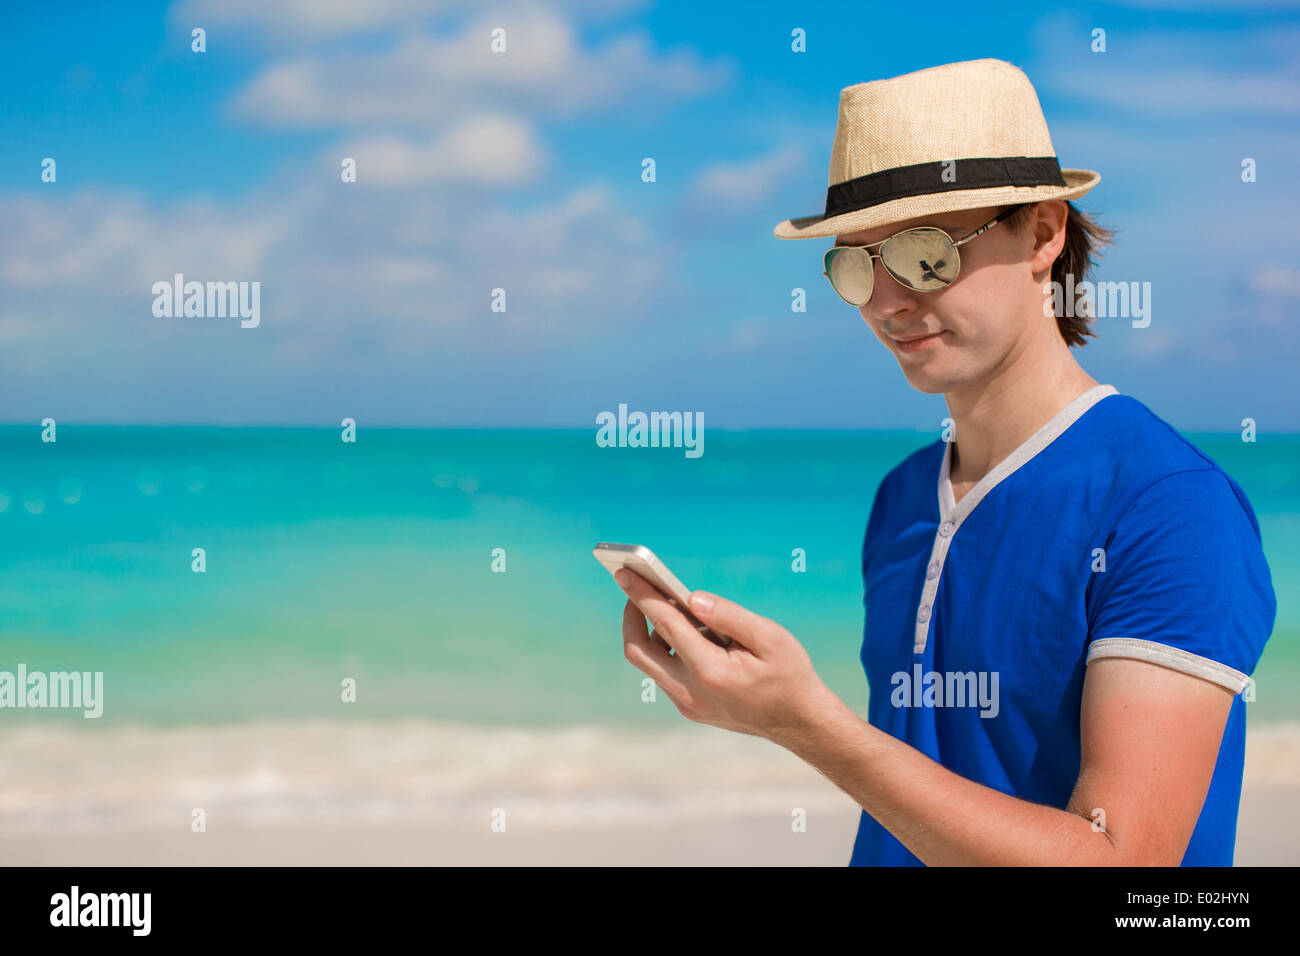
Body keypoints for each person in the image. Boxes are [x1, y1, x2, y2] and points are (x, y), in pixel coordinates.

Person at [613, 58, 1276, 865]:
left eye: (926, 253)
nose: (889, 301)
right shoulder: (903, 498)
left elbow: (1123, 865)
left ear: (1042, 232)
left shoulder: (1170, 507)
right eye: (857, 264)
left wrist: (807, 725)